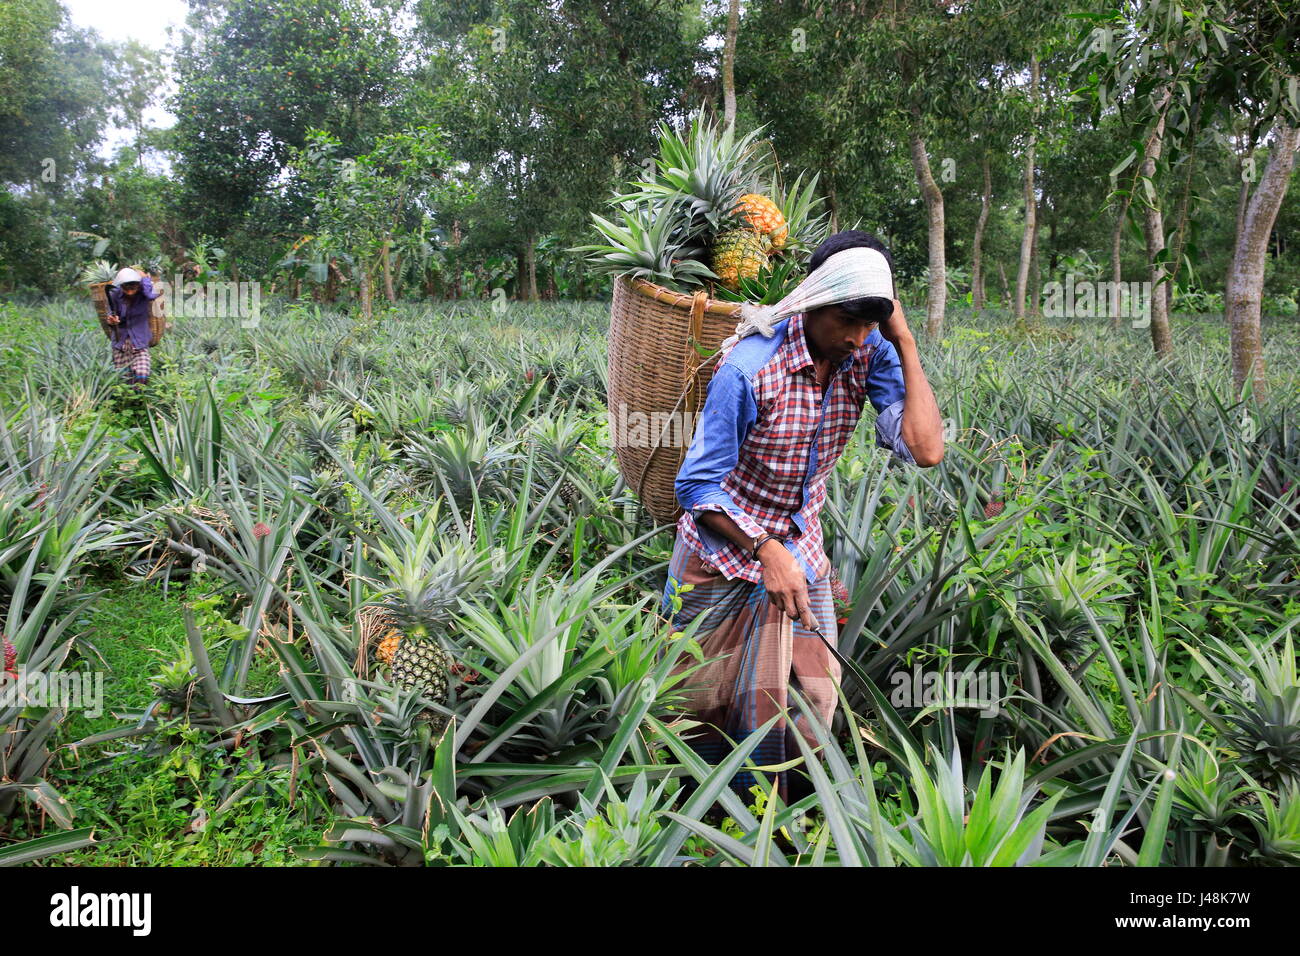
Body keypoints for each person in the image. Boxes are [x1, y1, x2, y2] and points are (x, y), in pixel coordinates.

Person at [660, 230, 945, 807]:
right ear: (814, 298)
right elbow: (694, 484)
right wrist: (765, 549)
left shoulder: (869, 352)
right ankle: (699, 817)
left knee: (810, 699)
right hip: (722, 549)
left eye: (871, 324)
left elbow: (925, 449)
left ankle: (786, 819)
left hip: (801, 550)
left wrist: (905, 341)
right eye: (849, 319)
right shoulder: (749, 368)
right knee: (698, 700)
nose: (856, 336)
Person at [105, 267, 158, 387]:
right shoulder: (114, 294)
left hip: (139, 341)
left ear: (138, 285)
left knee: (142, 375)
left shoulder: (143, 294)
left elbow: (150, 295)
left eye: (133, 287)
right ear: (121, 285)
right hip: (121, 343)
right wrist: (112, 320)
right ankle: (128, 403)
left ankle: (140, 402)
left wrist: (143, 277)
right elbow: (110, 313)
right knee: (124, 379)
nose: (129, 291)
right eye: (126, 287)